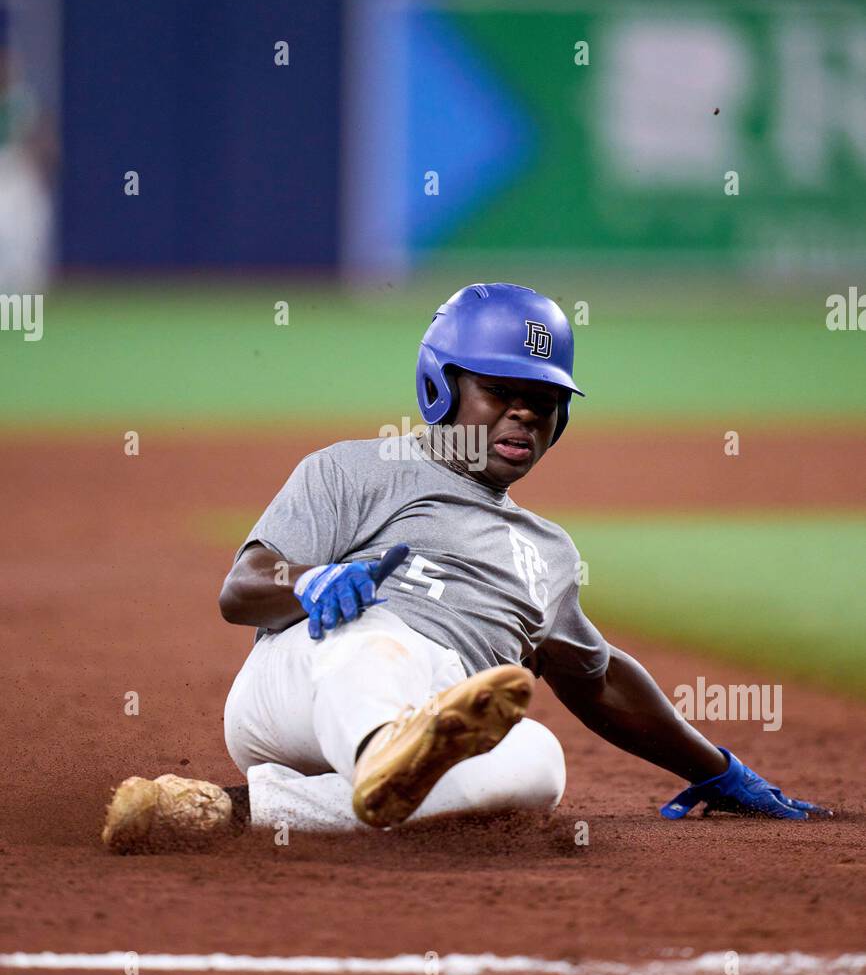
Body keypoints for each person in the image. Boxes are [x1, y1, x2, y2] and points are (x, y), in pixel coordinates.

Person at [102, 283, 829, 851]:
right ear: (440, 388)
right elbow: (240, 590)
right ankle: (385, 748)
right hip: (307, 684)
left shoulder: (547, 553)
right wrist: (308, 582)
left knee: (539, 763)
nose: (523, 415)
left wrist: (715, 768)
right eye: (501, 392)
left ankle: (230, 811)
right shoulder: (356, 470)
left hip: (430, 710)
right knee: (382, 640)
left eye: (542, 401)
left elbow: (599, 677)